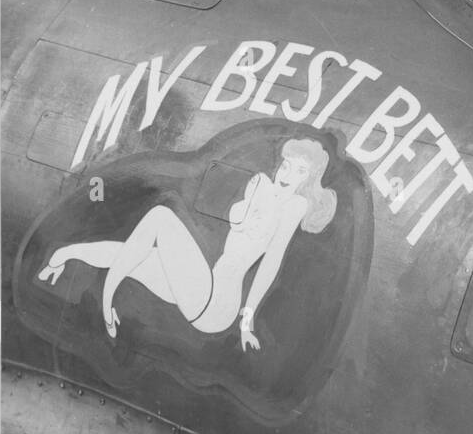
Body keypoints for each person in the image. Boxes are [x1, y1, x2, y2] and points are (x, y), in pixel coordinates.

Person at [37, 138, 338, 349]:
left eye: (300, 170)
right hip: (202, 289)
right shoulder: (260, 185)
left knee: (159, 218)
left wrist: (246, 322)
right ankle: (62, 257)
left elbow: (270, 263)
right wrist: (261, 195)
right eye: (286, 164)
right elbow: (240, 219)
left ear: (309, 179)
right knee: (135, 255)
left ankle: (107, 300)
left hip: (216, 305)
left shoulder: (293, 206)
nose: (287, 174)